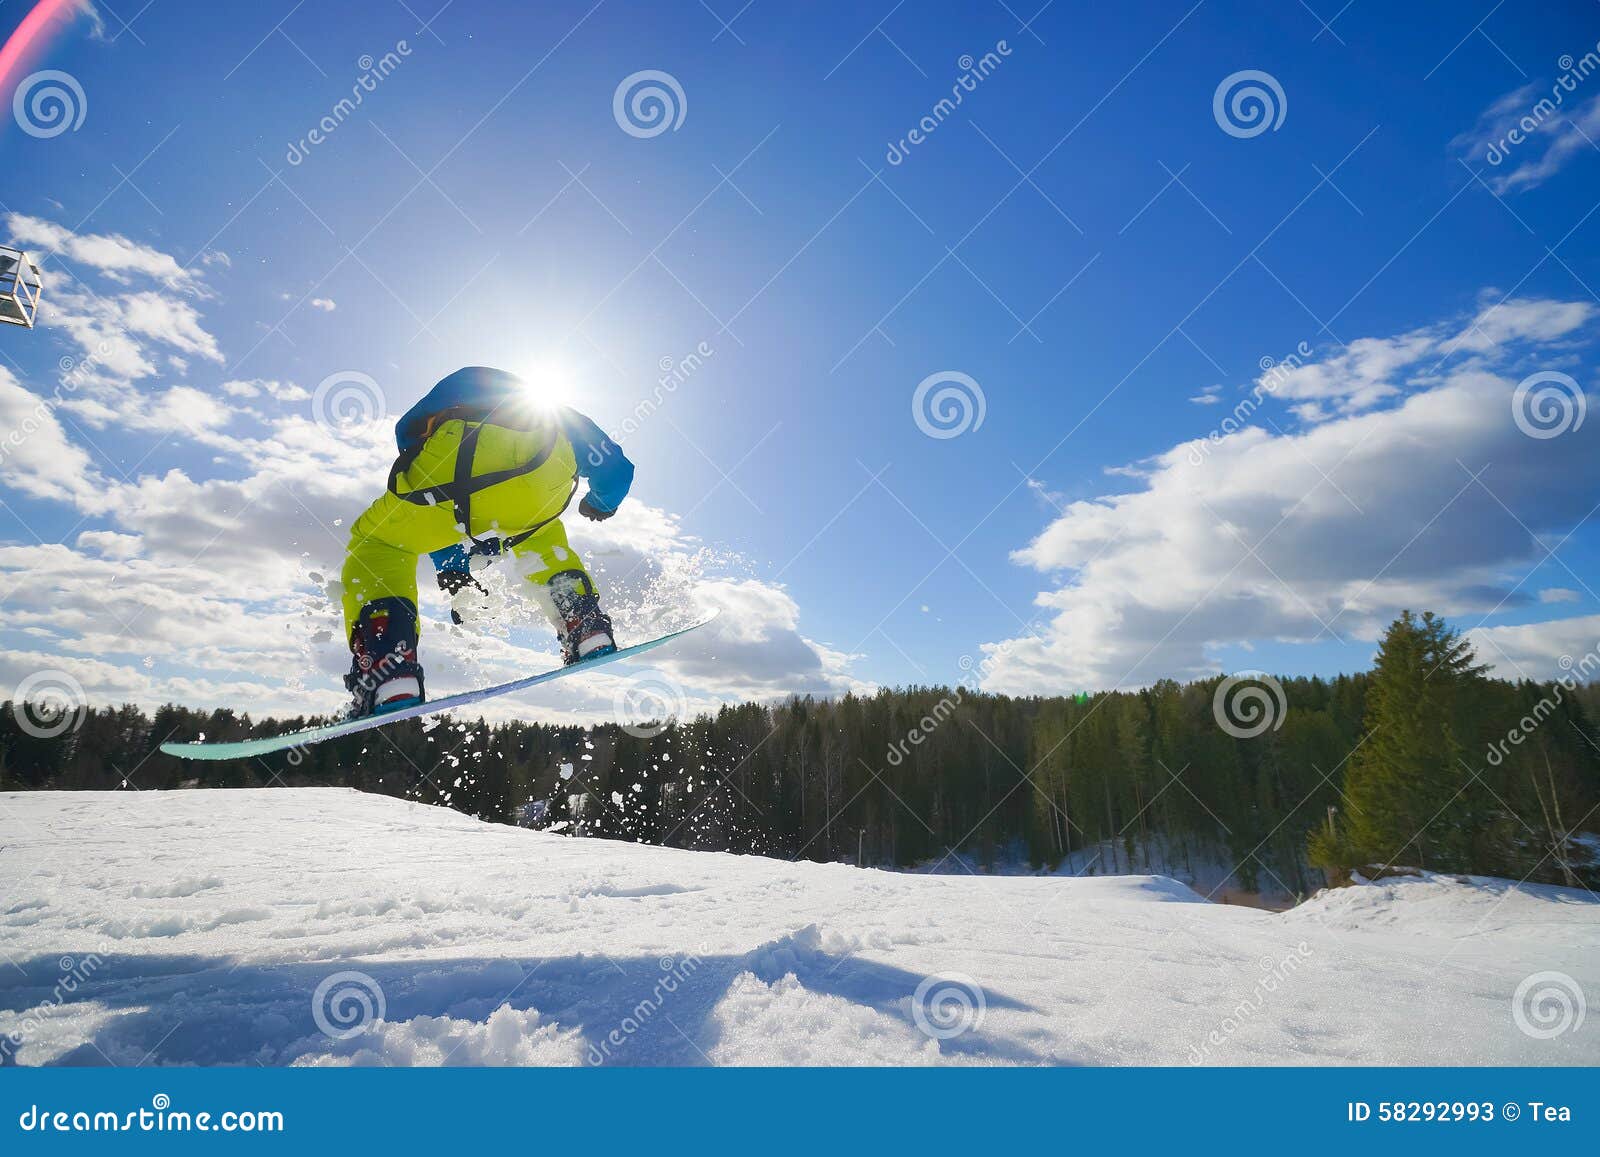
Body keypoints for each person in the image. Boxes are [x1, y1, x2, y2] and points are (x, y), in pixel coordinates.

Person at [338, 366, 634, 718]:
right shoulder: (555, 412)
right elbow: (615, 466)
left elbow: (416, 463)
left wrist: (453, 568)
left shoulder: (453, 391)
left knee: (378, 544)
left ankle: (388, 668)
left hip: (451, 469)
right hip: (540, 477)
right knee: (541, 535)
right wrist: (601, 503)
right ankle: (585, 626)